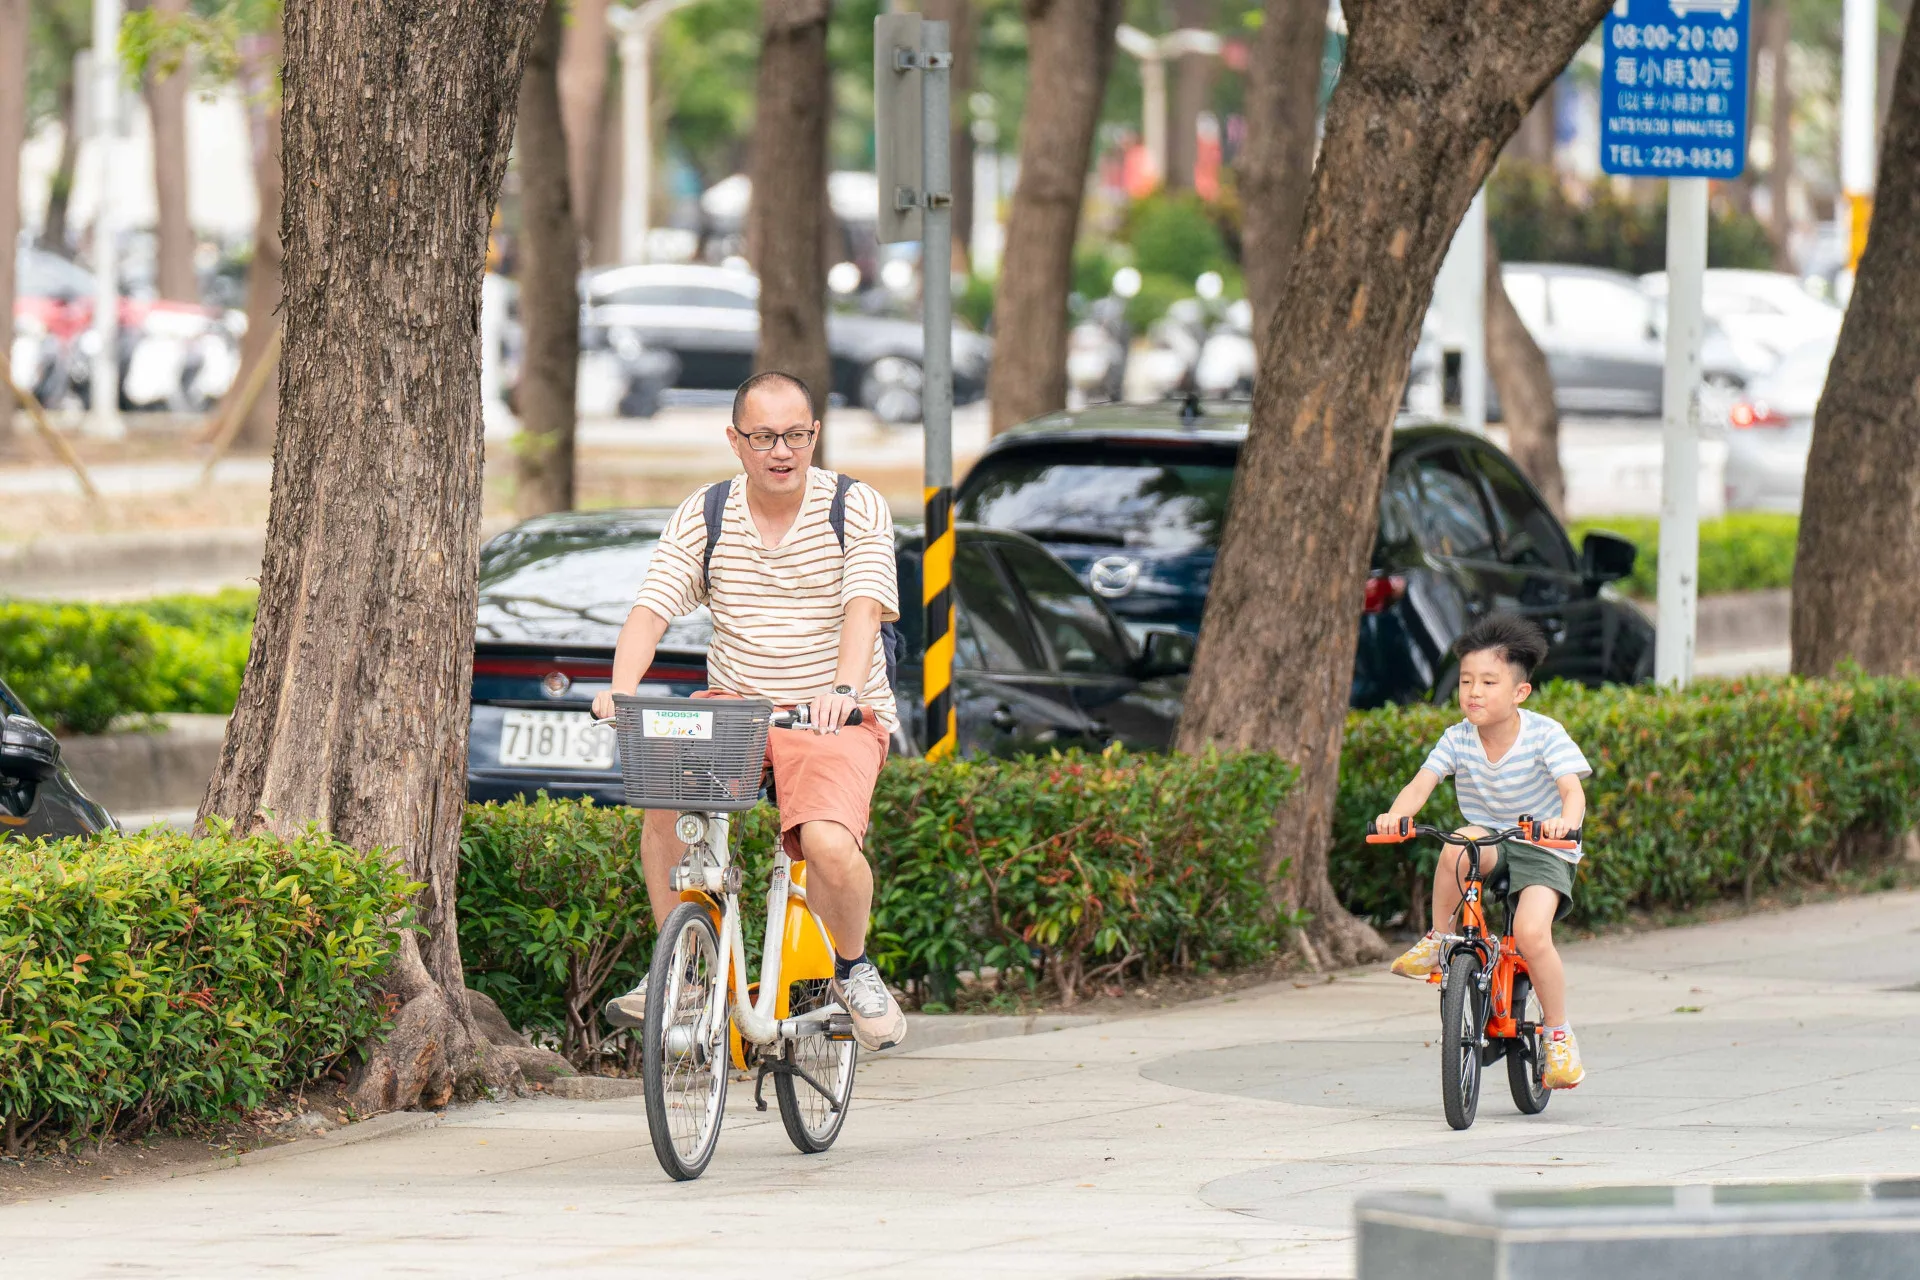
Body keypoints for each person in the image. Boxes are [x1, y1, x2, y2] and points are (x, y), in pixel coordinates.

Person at [590, 371, 907, 1052]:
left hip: (831, 713)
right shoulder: (706, 513)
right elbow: (651, 608)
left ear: (815, 434)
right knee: (665, 793)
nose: (781, 450)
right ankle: (682, 973)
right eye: (763, 436)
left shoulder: (854, 507)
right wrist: (620, 687)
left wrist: (845, 692)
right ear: (735, 441)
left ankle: (853, 968)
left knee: (826, 843)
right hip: (738, 706)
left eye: (795, 434)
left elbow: (864, 607)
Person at [1375, 614, 1591, 1090]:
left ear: (1519, 692)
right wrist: (1395, 816)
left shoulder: (1543, 734)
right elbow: (1421, 784)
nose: (1473, 691)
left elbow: (1572, 791)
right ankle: (1440, 940)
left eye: (1489, 682)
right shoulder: (1456, 738)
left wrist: (1566, 823)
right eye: (1466, 681)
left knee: (1533, 936)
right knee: (1459, 840)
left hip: (1543, 845)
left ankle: (1557, 1035)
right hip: (1490, 837)